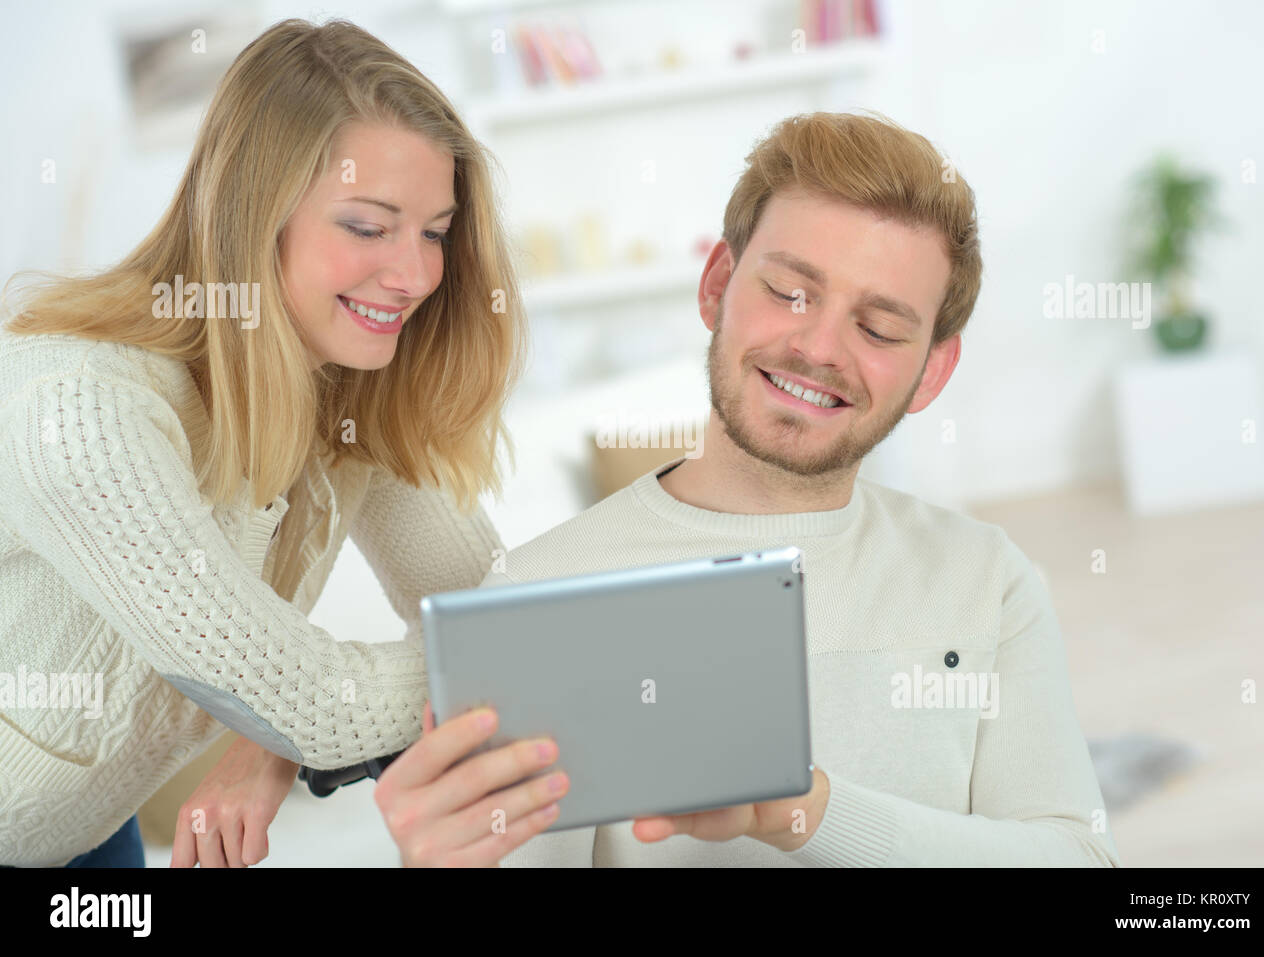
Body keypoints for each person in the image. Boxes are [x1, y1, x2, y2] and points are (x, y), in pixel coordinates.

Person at [372, 111, 1122, 866]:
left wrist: (804, 811)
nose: (818, 347)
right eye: (792, 291)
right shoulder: (539, 589)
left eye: (881, 328)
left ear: (931, 369)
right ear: (718, 285)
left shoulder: (988, 579)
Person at [0, 18, 564, 868]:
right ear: (253, 220)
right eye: (369, 227)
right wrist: (298, 719)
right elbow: (322, 700)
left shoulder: (349, 395)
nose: (413, 275)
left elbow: (482, 605)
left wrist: (271, 744)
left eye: (435, 231)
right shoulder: (77, 409)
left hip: (80, 830)